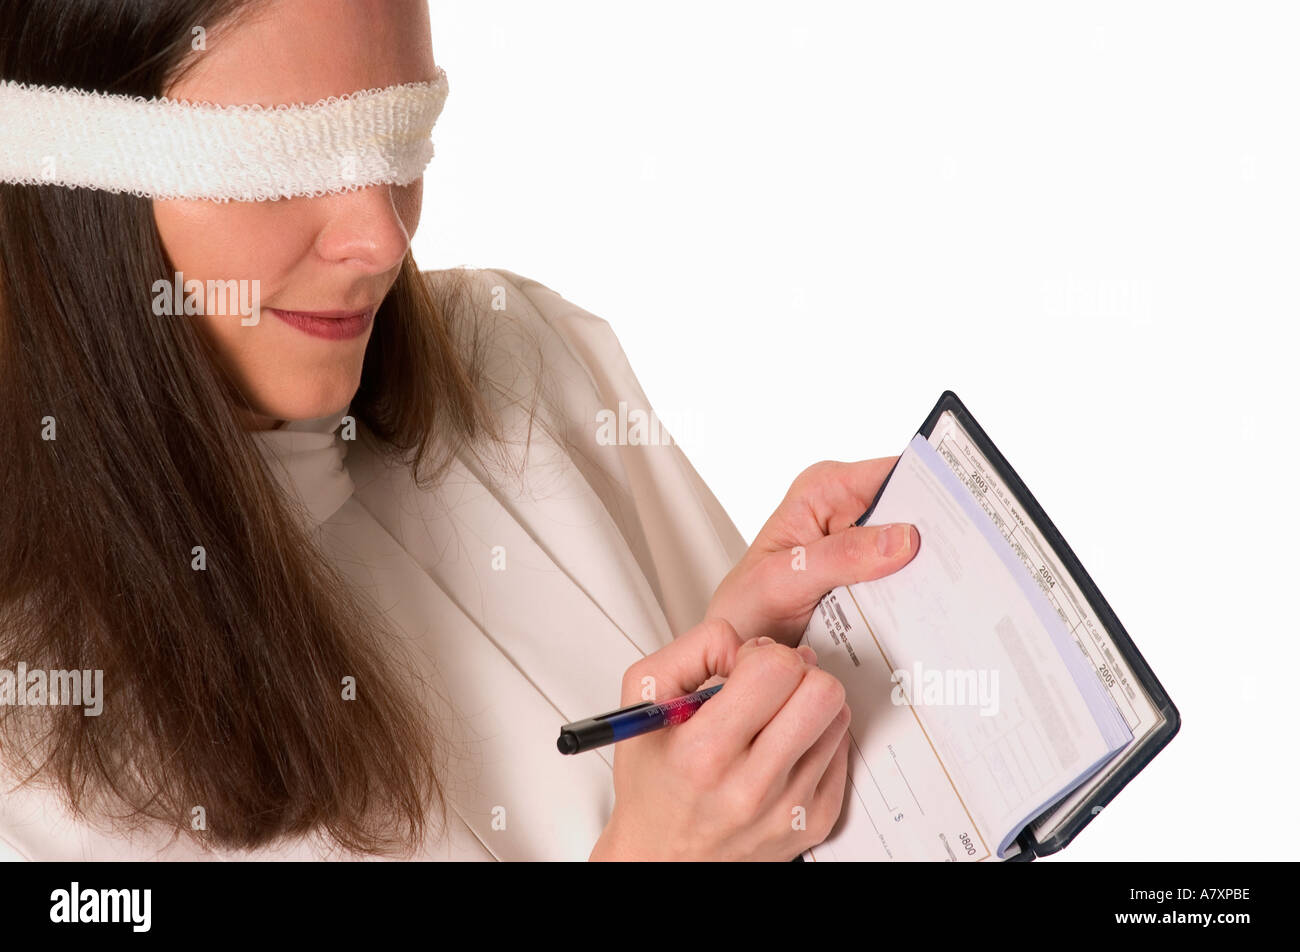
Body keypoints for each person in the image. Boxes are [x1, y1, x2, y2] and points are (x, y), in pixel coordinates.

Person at [0, 0, 918, 861]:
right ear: (70, 171)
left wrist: (759, 694)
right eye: (285, 163)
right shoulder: (27, 747)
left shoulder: (521, 359)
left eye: (401, 139)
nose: (381, 237)